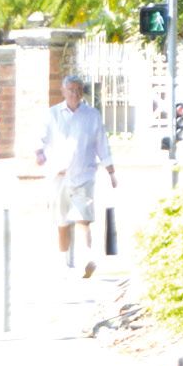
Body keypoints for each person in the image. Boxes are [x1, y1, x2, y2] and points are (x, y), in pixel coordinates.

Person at [35, 76, 116, 278]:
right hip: (60, 175)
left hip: (84, 174)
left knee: (83, 219)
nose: (75, 93)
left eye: (78, 89)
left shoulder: (92, 115)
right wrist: (39, 153)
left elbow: (102, 144)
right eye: (70, 89)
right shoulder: (52, 114)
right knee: (62, 221)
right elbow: (41, 137)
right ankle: (63, 261)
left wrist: (111, 172)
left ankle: (86, 258)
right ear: (63, 92)